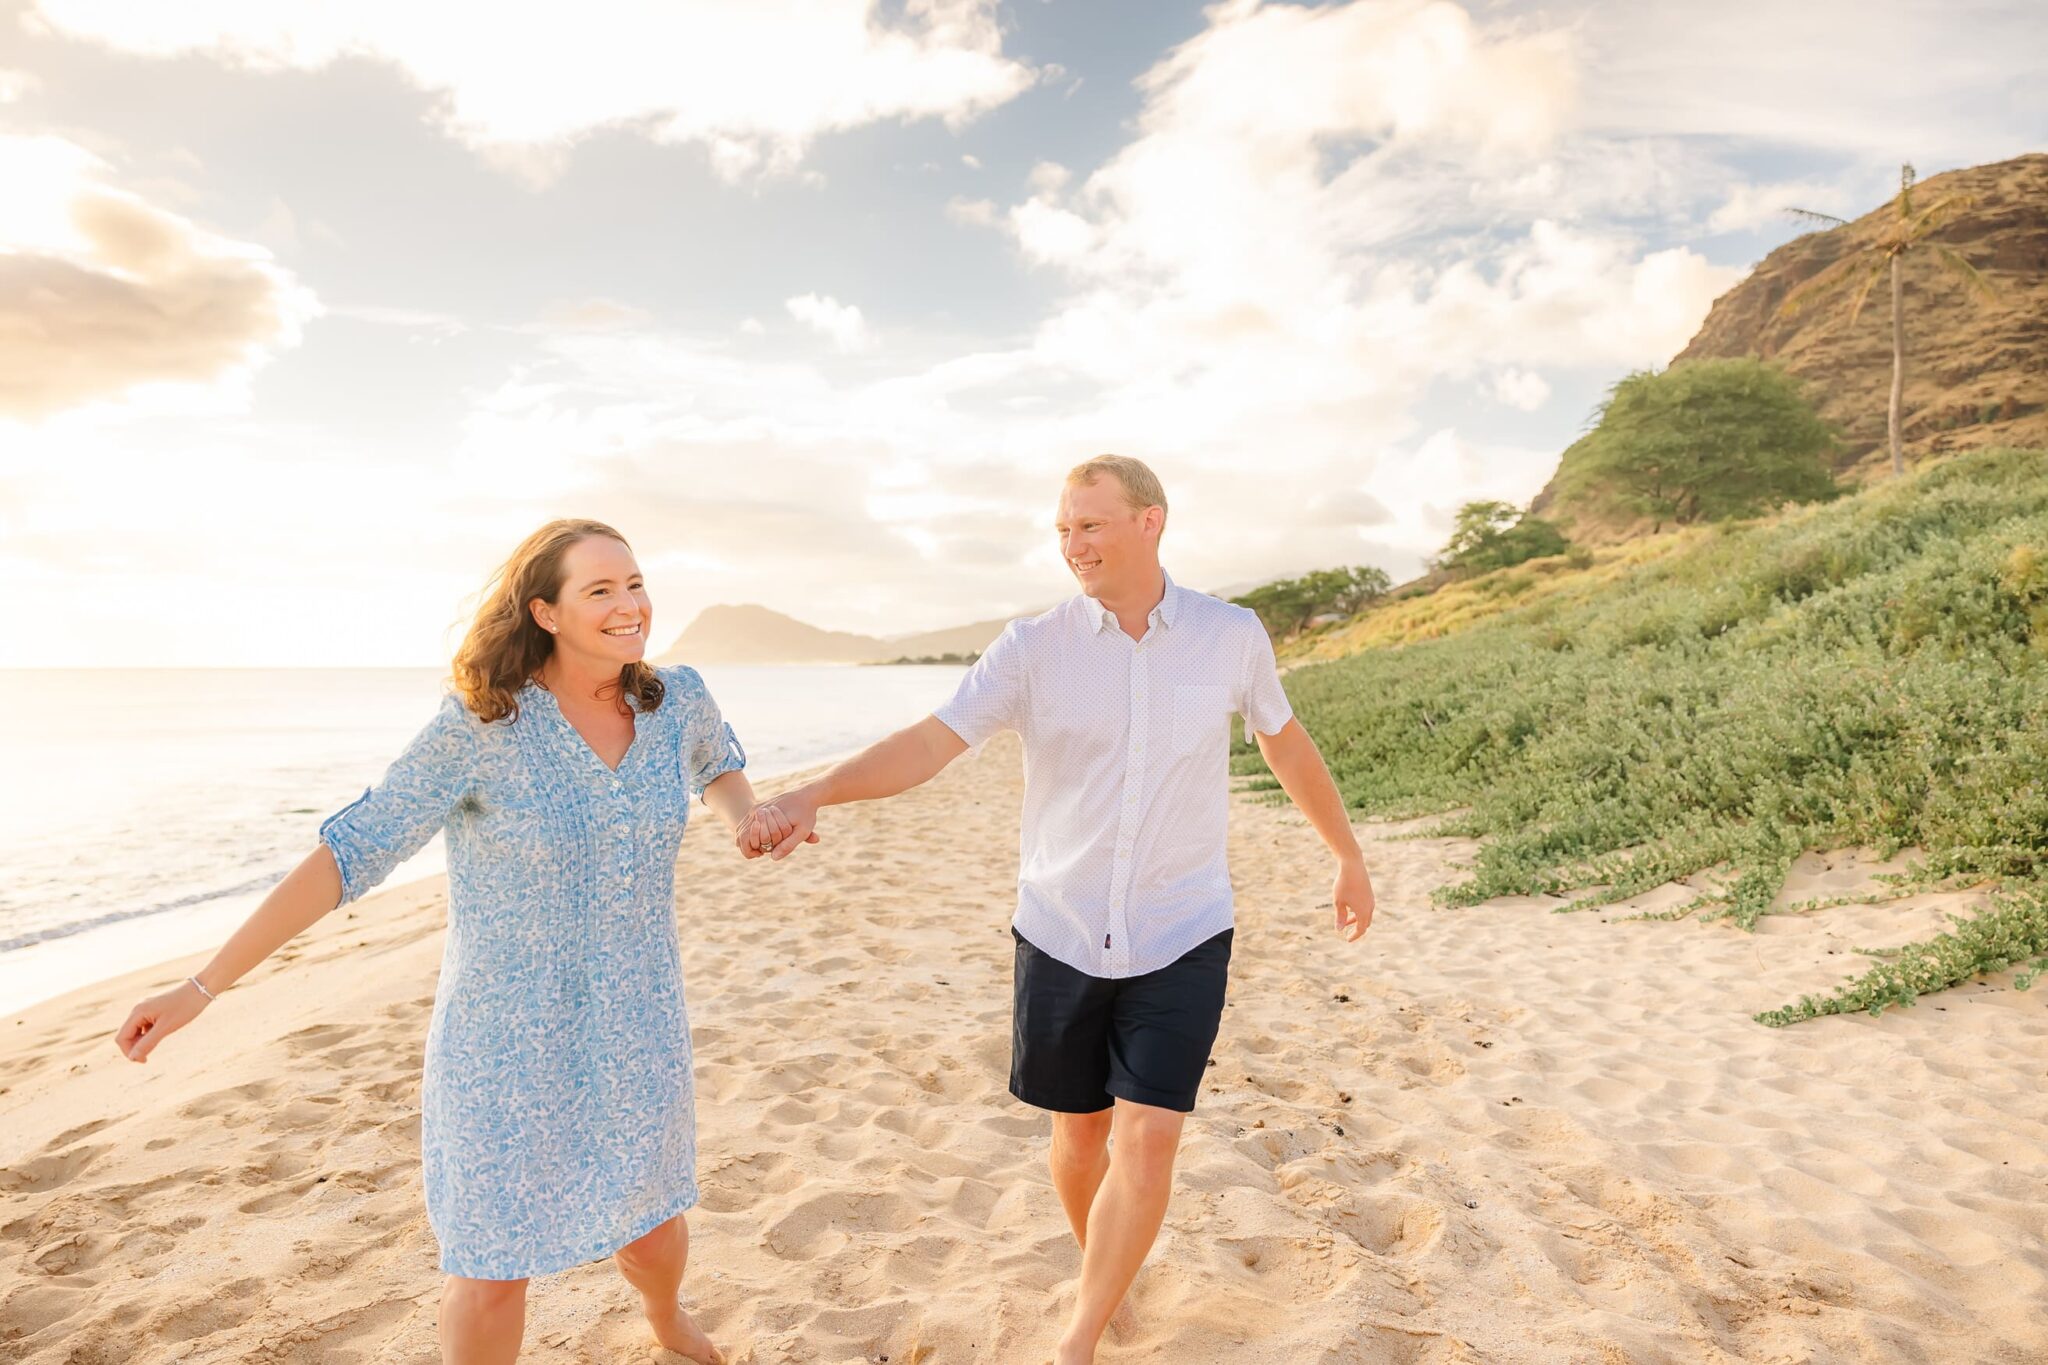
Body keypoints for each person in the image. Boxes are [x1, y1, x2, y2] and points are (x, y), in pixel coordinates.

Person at [113, 519, 802, 1365]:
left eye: (635, 584)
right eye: (600, 590)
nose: (630, 605)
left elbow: (715, 765)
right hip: (500, 1043)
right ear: (545, 612)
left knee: (653, 1226)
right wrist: (201, 986)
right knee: (490, 1266)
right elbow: (349, 853)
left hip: (637, 1022)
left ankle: (664, 1318)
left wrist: (745, 816)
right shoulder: (481, 725)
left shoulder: (678, 699)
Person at [739, 456, 1375, 1364]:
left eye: (1091, 524)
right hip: (1061, 926)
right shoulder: (1032, 646)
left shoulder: (1230, 635)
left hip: (1184, 925)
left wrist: (1347, 855)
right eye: (1064, 529)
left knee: (1148, 1137)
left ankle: (1079, 1336)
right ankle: (1103, 1275)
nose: (1073, 544)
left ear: (1150, 521)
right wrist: (814, 793)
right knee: (1079, 1141)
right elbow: (933, 741)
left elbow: (1284, 741)